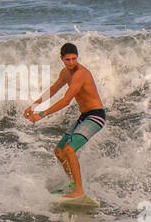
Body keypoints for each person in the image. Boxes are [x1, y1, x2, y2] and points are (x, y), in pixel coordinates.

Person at [23, 43, 105, 200]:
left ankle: (79, 190)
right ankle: (73, 185)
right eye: (68, 59)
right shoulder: (65, 73)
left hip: (96, 116)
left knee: (69, 150)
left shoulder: (81, 74)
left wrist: (42, 114)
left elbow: (66, 100)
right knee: (59, 151)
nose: (71, 62)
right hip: (84, 116)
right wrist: (34, 105)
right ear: (61, 59)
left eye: (74, 58)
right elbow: (53, 90)